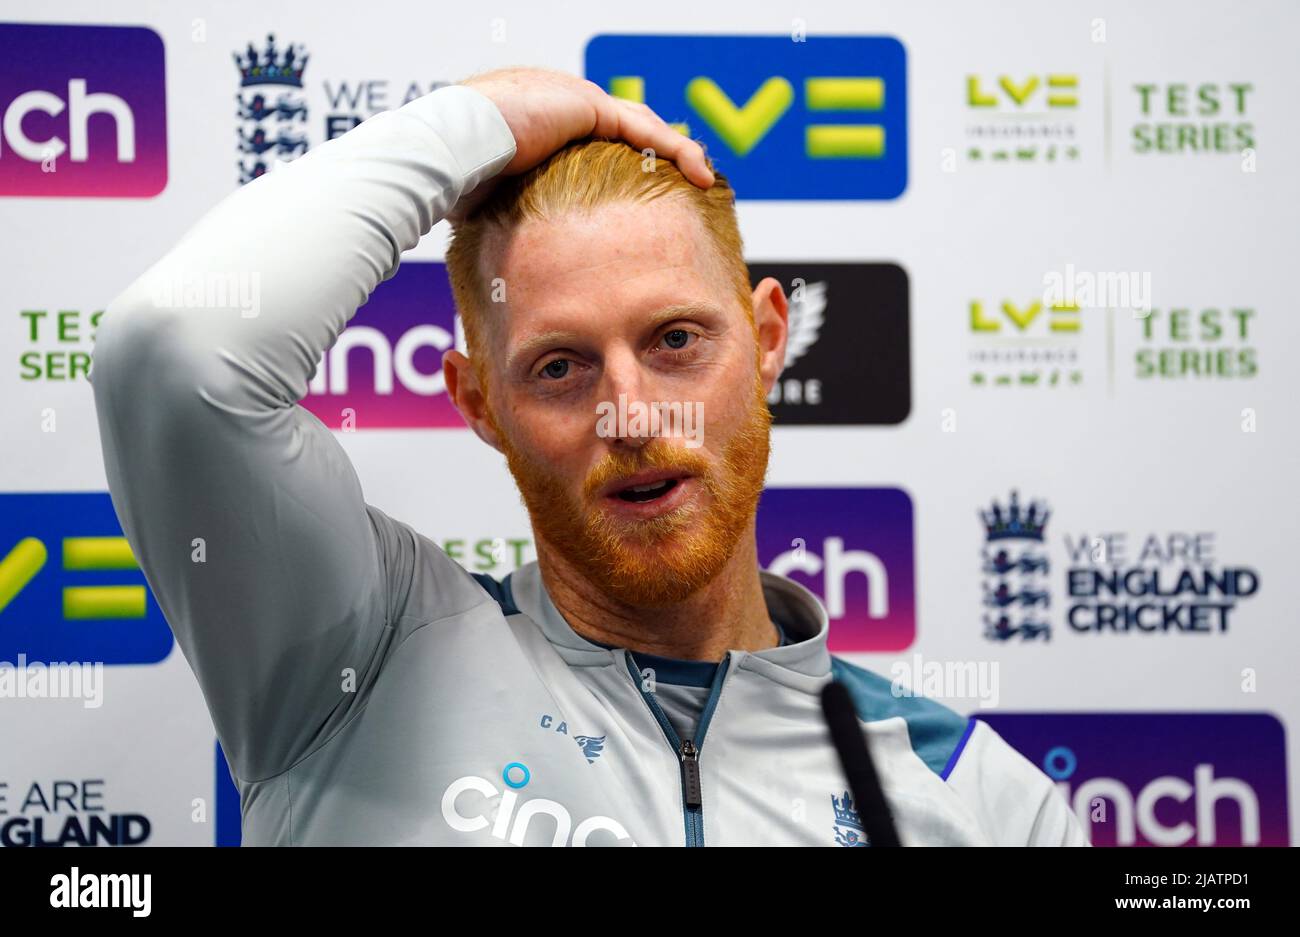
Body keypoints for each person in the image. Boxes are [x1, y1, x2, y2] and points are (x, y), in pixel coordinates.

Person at [91, 67, 1087, 846]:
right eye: (560, 367)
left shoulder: (977, 798)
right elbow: (175, 350)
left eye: (675, 340)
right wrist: (481, 117)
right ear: (479, 402)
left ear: (767, 338)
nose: (632, 414)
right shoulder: (356, 660)